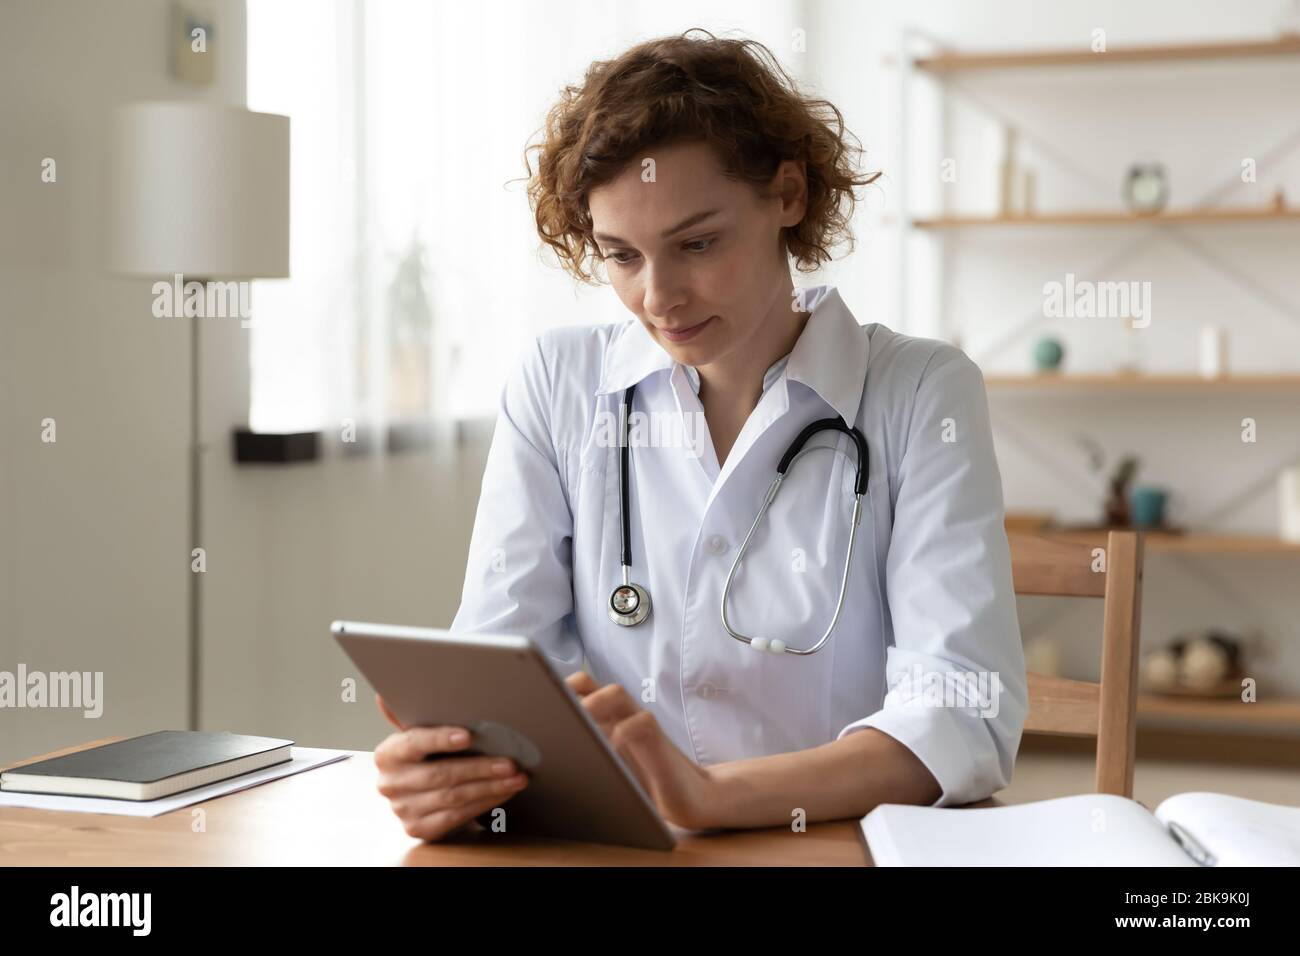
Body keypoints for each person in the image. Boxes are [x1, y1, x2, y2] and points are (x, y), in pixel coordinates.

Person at [375, 28, 1027, 844]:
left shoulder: (920, 391)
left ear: (788, 195)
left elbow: (961, 712)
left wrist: (709, 795)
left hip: (829, 849)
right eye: (620, 256)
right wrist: (451, 768)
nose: (659, 297)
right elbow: (504, 674)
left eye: (697, 244)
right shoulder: (558, 383)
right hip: (616, 849)